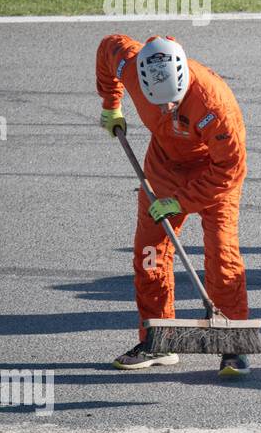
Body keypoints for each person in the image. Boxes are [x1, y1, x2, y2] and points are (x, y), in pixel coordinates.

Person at [96, 35, 252, 376]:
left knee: (222, 255)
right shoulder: (132, 66)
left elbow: (231, 169)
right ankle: (160, 340)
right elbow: (108, 48)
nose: (166, 109)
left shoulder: (214, 103)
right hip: (164, 168)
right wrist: (111, 105)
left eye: (173, 103)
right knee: (150, 253)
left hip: (214, 172)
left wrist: (180, 202)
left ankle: (234, 346)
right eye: (158, 103)